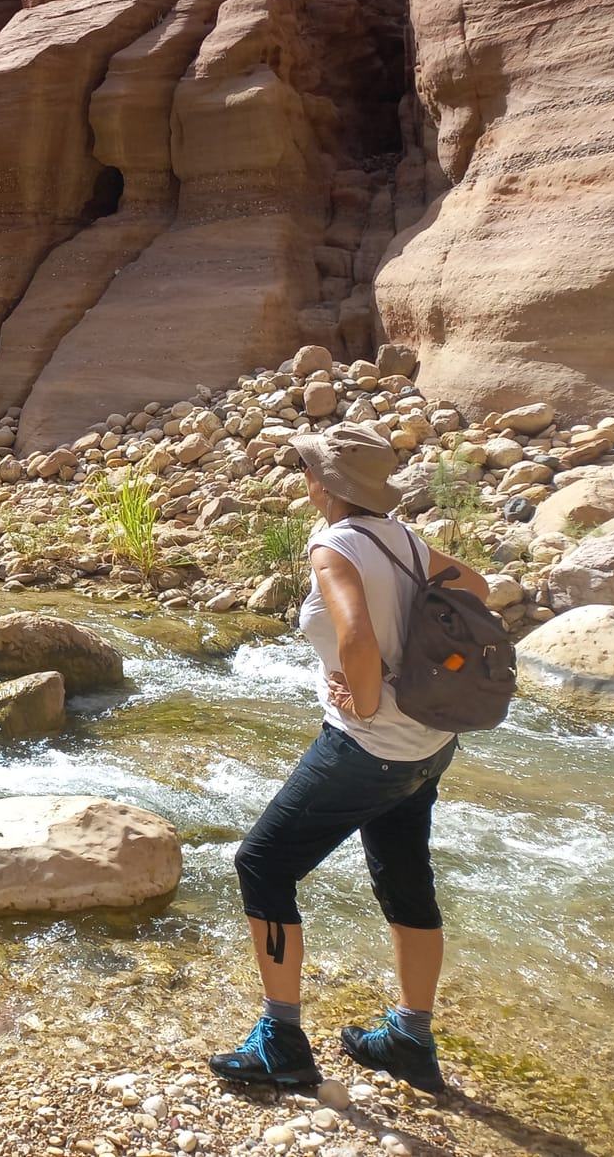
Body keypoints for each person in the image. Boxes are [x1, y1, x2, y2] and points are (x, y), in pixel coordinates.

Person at [208, 421, 486, 1095]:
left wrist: (364, 698)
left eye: (308, 469)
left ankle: (281, 1042)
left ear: (322, 483)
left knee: (262, 864)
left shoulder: (333, 545)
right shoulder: (406, 541)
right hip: (429, 742)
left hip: (370, 747)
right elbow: (477, 584)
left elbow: (356, 636)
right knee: (405, 878)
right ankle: (411, 1041)